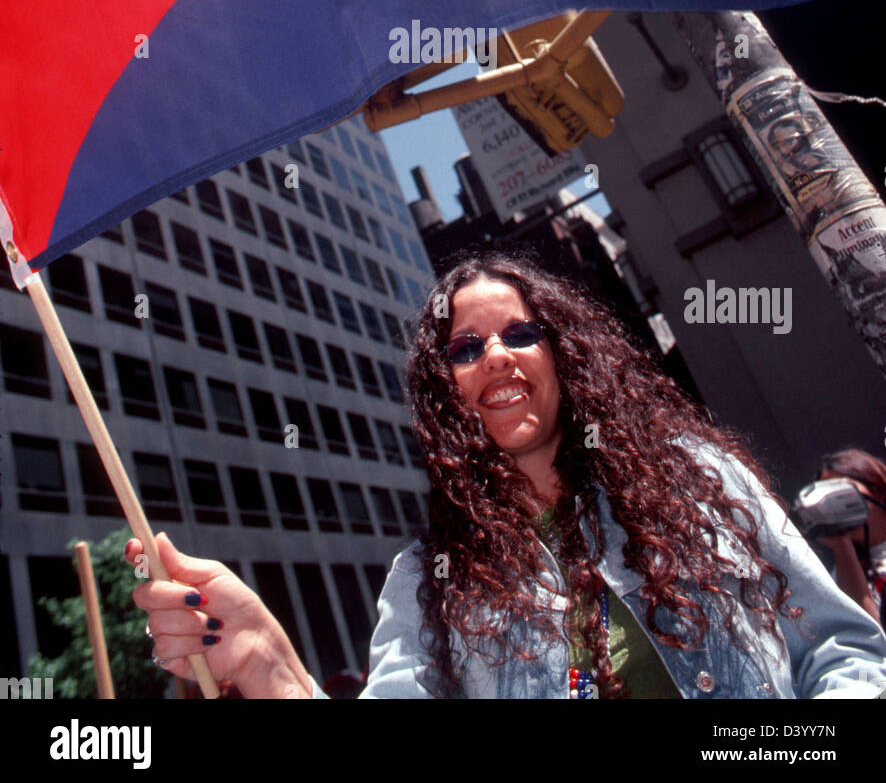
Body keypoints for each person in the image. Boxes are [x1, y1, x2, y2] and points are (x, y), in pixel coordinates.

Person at [127, 252, 886, 698]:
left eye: (521, 334)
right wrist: (271, 663)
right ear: (445, 394)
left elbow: (842, 649)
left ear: (565, 356)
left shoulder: (701, 480)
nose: (496, 356)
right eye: (465, 349)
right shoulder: (429, 581)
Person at [815, 449, 886, 629]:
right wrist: (842, 548)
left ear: (877, 488)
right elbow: (868, 636)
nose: (837, 505)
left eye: (842, 491)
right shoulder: (842, 575)